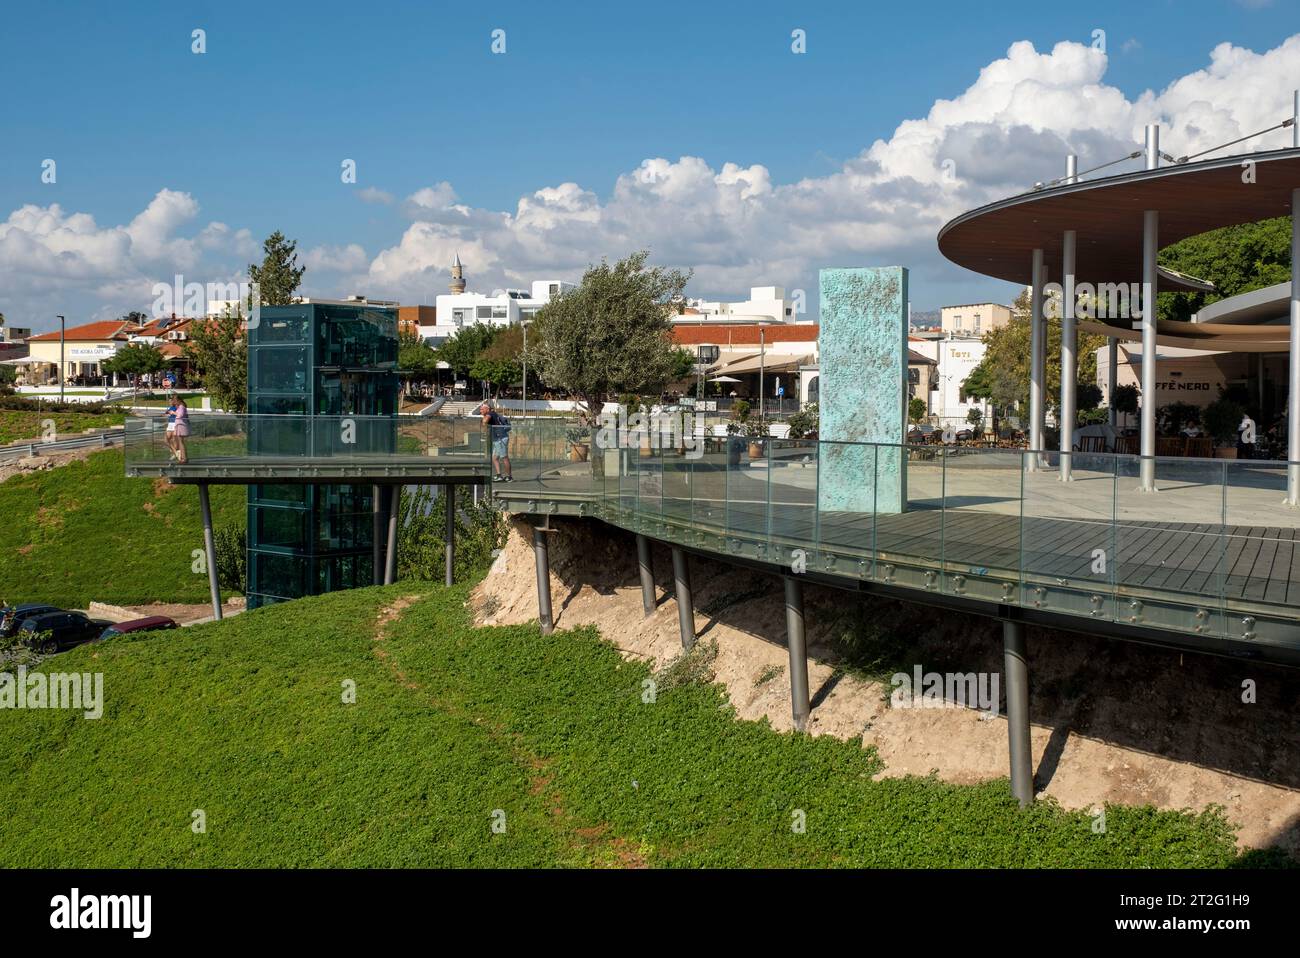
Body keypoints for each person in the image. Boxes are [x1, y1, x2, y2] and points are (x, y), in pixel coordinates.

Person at [480, 401, 512, 482]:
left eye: (482, 409)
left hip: (500, 439)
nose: (481, 411)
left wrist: (484, 420)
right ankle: (499, 475)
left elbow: (485, 421)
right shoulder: (492, 413)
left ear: (487, 409)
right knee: (495, 458)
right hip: (497, 439)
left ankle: (509, 477)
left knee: (504, 457)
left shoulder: (490, 413)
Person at [172, 392, 191, 464]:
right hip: (179, 425)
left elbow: (180, 415)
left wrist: (173, 413)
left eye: (175, 400)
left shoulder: (182, 407)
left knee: (181, 442)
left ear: (178, 400)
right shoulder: (180, 407)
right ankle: (183, 457)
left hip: (181, 425)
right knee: (180, 442)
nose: (174, 402)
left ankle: (184, 458)